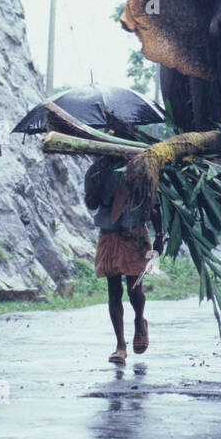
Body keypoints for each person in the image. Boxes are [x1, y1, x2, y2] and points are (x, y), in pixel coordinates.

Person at [83, 154, 163, 364]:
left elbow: (155, 204)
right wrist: (97, 189)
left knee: (134, 289)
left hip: (134, 232)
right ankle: (120, 345)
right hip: (109, 233)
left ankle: (139, 320)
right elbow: (91, 203)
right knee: (113, 290)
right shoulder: (96, 169)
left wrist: (160, 237)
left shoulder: (139, 168)